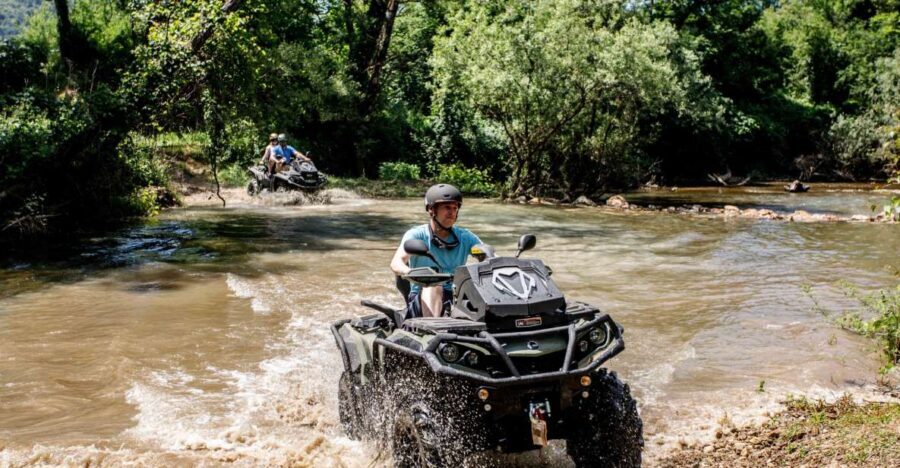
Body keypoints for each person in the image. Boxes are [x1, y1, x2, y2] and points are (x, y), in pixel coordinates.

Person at [390, 184, 482, 318]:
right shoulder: (416, 235)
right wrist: (411, 272)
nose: (451, 212)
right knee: (433, 285)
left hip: (456, 296)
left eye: (455, 208)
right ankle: (432, 329)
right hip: (423, 295)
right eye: (446, 207)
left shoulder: (466, 237)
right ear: (432, 210)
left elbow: (489, 257)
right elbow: (396, 263)